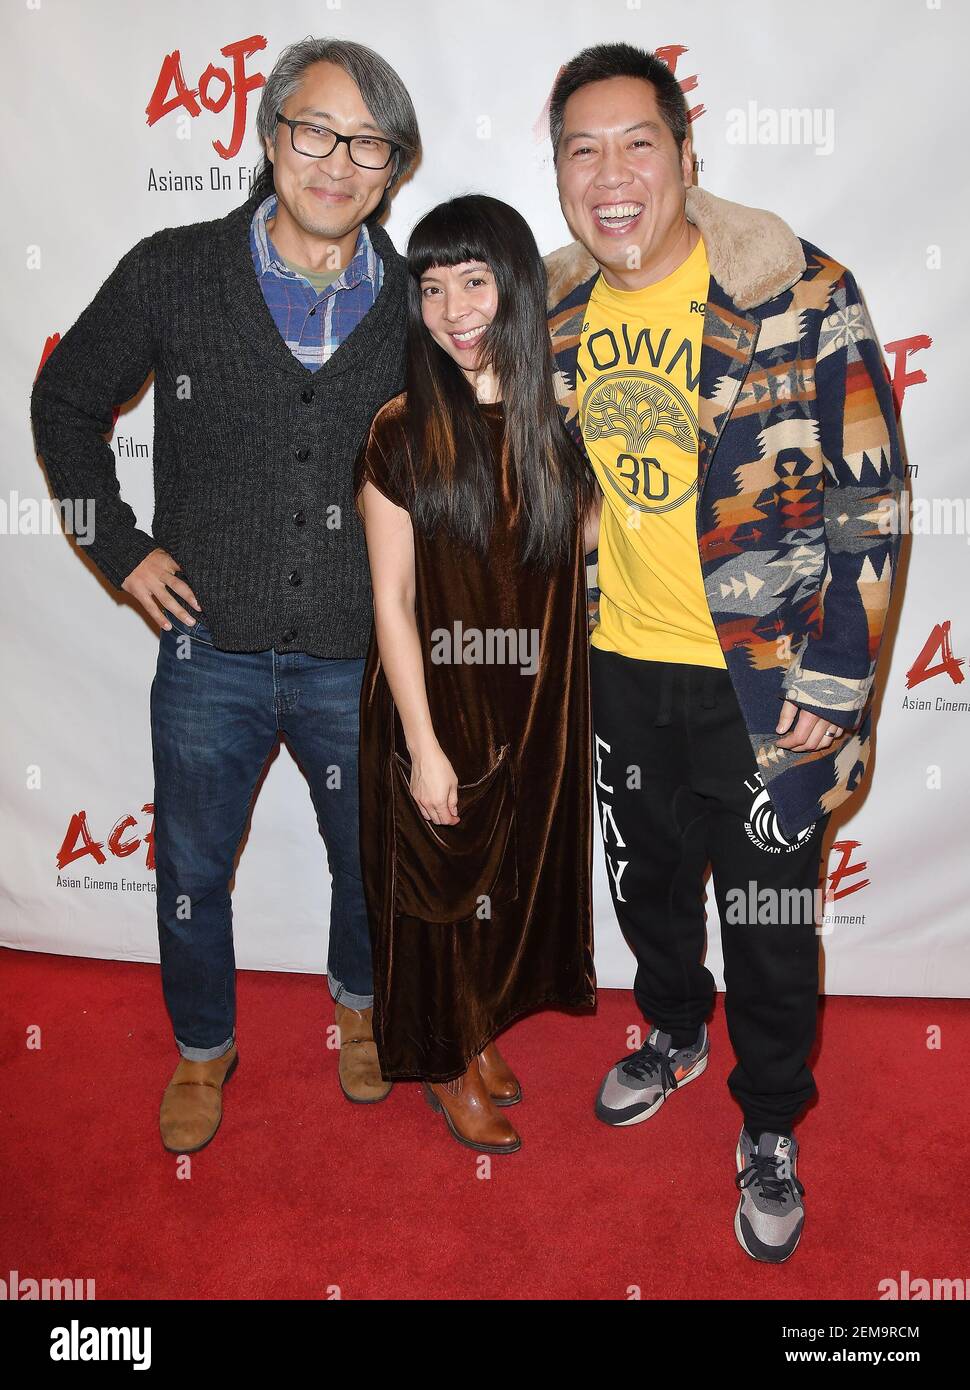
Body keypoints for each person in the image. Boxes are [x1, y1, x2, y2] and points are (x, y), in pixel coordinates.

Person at [543, 43, 904, 1259]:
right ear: (558, 173)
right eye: (580, 150)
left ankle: (768, 1120)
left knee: (764, 911)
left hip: (765, 686)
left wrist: (836, 679)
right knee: (646, 888)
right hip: (618, 667)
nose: (611, 175)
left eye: (635, 143)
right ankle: (671, 1029)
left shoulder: (798, 293)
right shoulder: (551, 308)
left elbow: (868, 492)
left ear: (686, 159)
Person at [29, 38, 421, 1153]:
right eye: (315, 130)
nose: (337, 161)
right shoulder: (175, 267)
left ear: (391, 169)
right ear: (266, 134)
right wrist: (121, 549)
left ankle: (358, 1003)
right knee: (193, 868)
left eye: (368, 143)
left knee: (367, 858)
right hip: (211, 652)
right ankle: (204, 1049)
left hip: (357, 650)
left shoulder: (415, 303)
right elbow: (65, 403)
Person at [354, 194, 600, 1154]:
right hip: (435, 704)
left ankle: (478, 1024)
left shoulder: (553, 428)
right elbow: (391, 602)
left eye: (476, 282)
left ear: (518, 291)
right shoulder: (402, 430)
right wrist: (421, 746)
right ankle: (444, 1063)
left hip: (532, 704)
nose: (454, 309)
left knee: (508, 878)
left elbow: (577, 550)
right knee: (441, 892)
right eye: (432, 287)